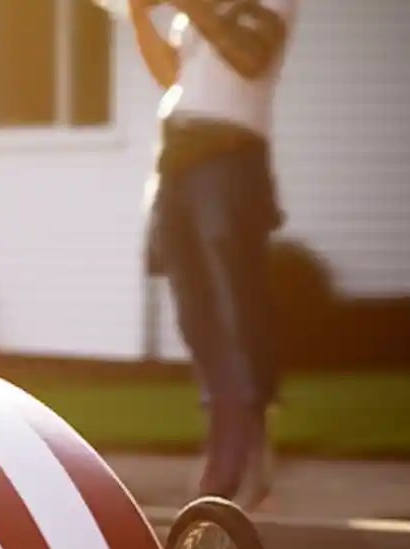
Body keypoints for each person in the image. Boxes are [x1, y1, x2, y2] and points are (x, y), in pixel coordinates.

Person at [129, 0, 299, 510]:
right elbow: (172, 76)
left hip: (229, 157)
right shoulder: (201, 12)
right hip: (177, 157)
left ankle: (249, 445)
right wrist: (141, 16)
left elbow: (250, 57)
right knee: (193, 308)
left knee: (236, 301)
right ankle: (225, 426)